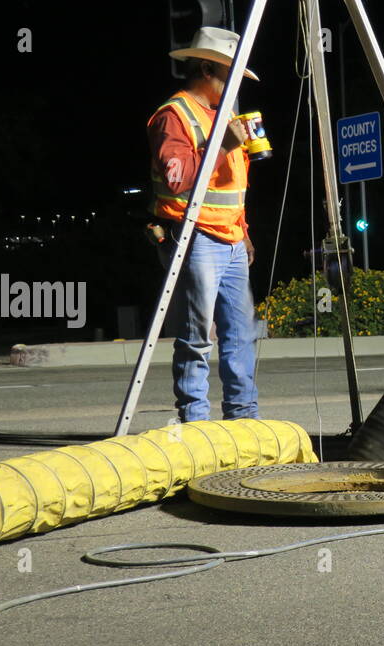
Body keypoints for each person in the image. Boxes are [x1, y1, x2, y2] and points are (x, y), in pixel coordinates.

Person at [147, 26, 260, 422]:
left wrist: (243, 231)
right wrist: (224, 145)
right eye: (232, 75)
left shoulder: (223, 114)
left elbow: (235, 179)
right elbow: (178, 177)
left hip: (229, 239)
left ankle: (243, 417)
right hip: (195, 238)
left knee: (240, 334)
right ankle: (195, 422)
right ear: (208, 69)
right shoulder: (173, 116)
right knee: (198, 336)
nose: (236, 86)